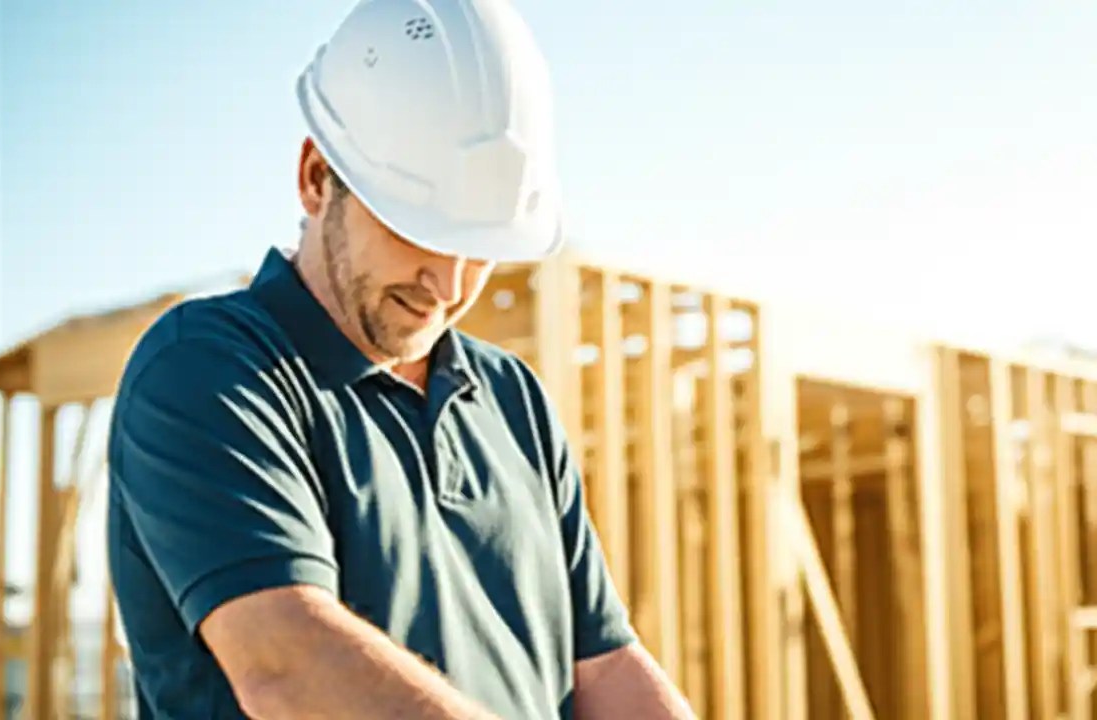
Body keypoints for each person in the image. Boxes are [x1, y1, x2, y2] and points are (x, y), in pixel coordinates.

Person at [105, 1, 694, 717]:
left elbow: (606, 666)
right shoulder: (209, 370)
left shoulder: (512, 399)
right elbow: (286, 665)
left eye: (480, 245)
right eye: (419, 230)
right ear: (317, 177)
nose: (449, 285)